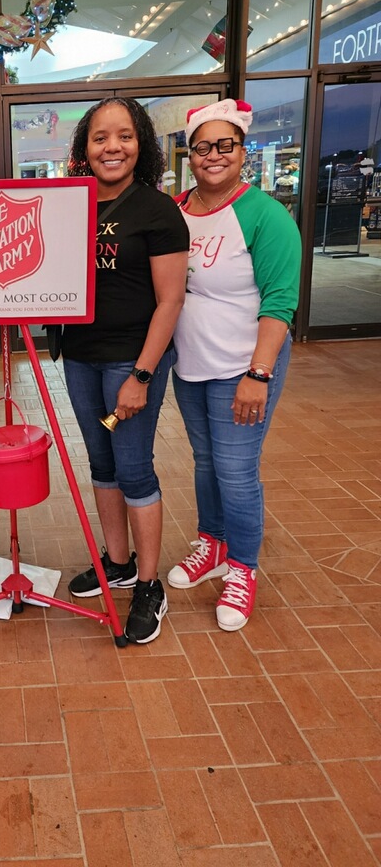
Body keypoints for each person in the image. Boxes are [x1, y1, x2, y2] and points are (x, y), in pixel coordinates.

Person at [168, 99, 301, 631]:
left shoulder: (265, 215)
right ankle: (213, 543)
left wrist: (258, 374)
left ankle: (242, 568)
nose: (214, 156)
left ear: (242, 151)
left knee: (237, 470)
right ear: (191, 154)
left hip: (244, 366)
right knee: (205, 461)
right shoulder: (174, 208)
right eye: (204, 147)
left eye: (226, 145)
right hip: (191, 364)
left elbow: (280, 302)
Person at [63, 98, 189, 644]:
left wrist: (140, 375)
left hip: (130, 362)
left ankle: (148, 583)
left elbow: (171, 301)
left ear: (142, 144)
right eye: (99, 138)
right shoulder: (72, 205)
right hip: (80, 358)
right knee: (100, 461)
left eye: (124, 136)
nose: (111, 147)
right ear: (84, 149)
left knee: (134, 467)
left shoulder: (157, 211)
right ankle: (116, 562)